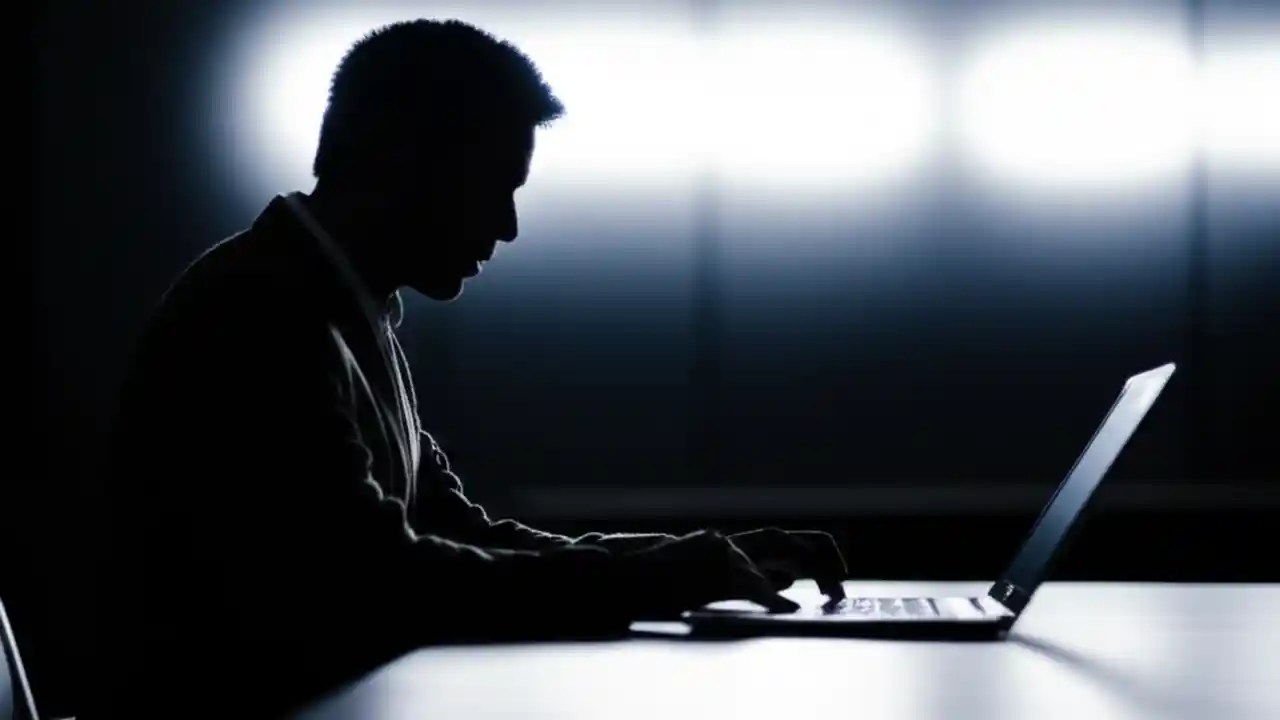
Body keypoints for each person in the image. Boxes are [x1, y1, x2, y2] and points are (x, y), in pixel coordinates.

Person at [97, 19, 846, 718]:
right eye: (496, 189)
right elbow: (384, 583)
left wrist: (688, 558)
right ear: (407, 163)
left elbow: (453, 531)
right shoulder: (262, 315)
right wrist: (667, 574)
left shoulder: (336, 306)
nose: (508, 227)